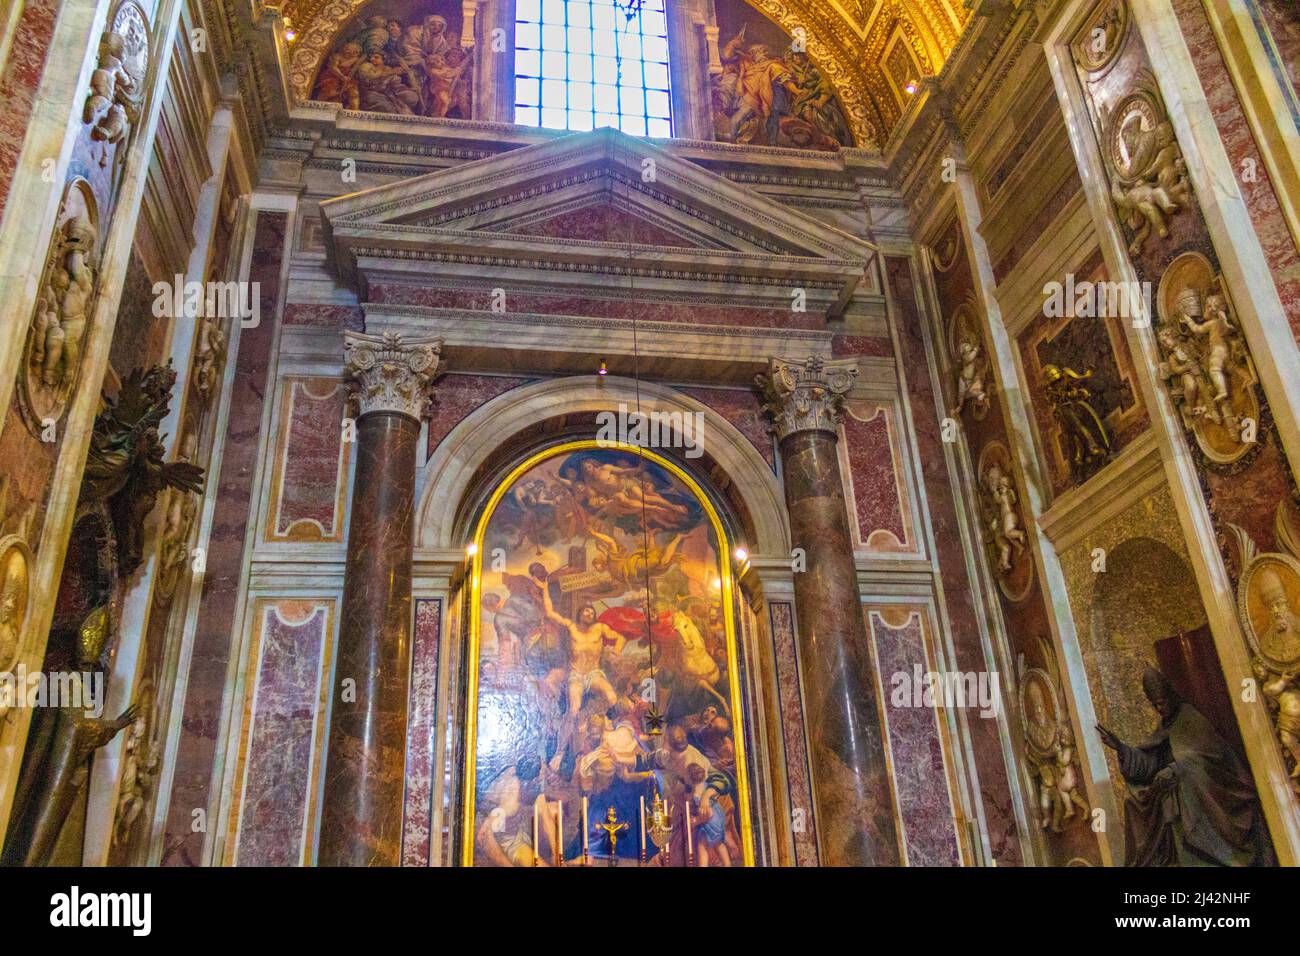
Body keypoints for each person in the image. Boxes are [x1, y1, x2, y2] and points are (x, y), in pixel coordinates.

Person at [1096, 667, 1274, 866]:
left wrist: (1174, 770)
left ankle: (1208, 857)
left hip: (1212, 790)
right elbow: (1151, 762)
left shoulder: (1191, 718)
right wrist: (1121, 748)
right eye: (1155, 705)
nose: (1160, 709)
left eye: (1161, 703)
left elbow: (1209, 757)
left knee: (1182, 782)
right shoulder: (1166, 725)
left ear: (1170, 696)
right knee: (1133, 802)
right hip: (1174, 786)